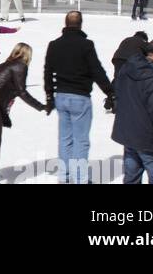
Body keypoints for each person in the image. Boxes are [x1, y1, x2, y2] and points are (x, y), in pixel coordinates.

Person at [43, 11, 113, 184]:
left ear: (65, 24)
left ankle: (64, 176)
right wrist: (110, 91)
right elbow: (97, 70)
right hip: (80, 97)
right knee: (81, 140)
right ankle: (81, 179)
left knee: (65, 139)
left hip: (61, 97)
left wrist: (49, 96)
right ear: (80, 24)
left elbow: (47, 71)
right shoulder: (86, 45)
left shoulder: (54, 45)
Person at [0, 43, 47, 184]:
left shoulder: (7, 64)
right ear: (27, 55)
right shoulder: (20, 66)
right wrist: (41, 106)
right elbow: (22, 92)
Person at [111, 38, 153, 184]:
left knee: (131, 179)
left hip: (129, 137)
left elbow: (118, 94)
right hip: (151, 144)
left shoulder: (126, 69)